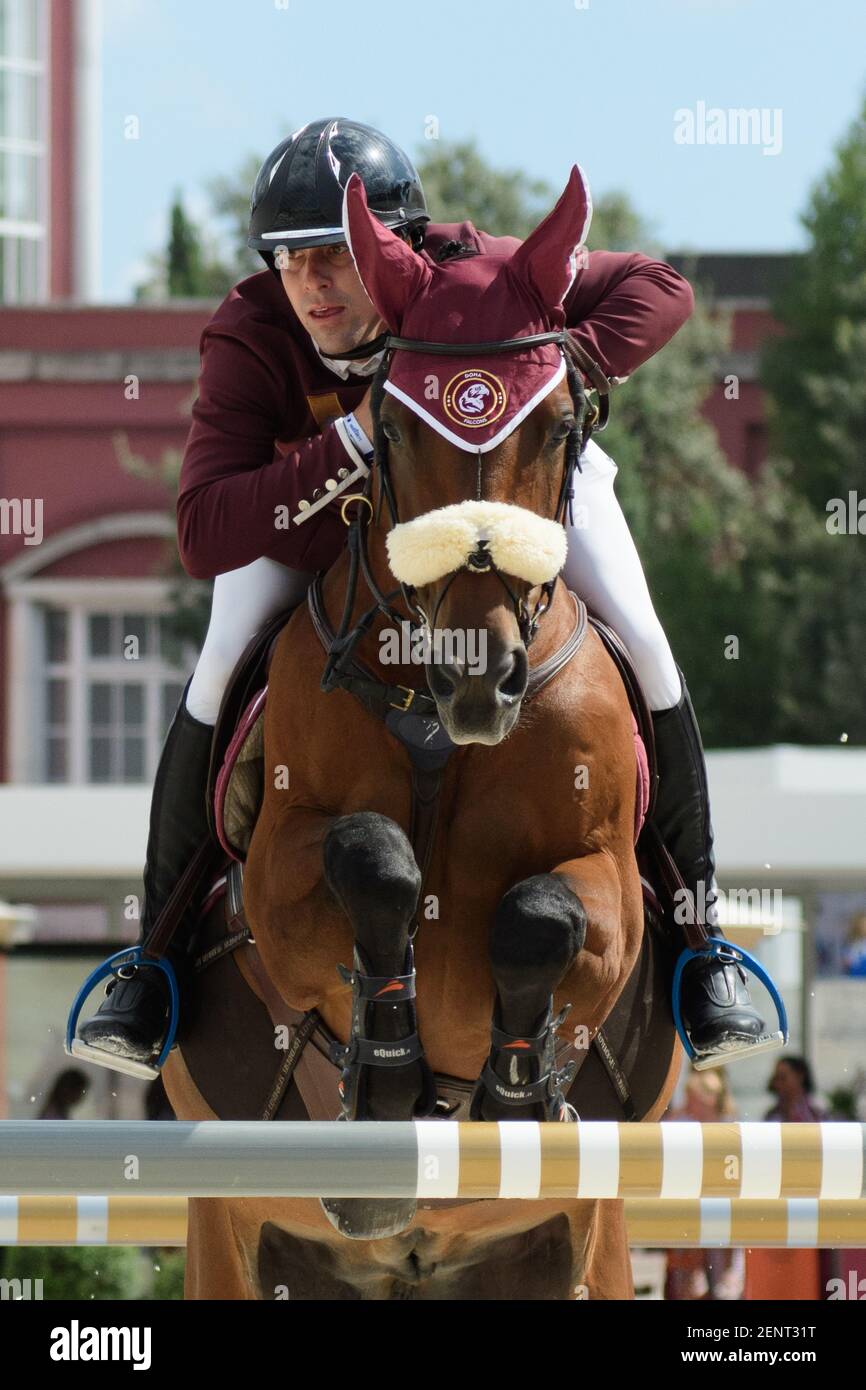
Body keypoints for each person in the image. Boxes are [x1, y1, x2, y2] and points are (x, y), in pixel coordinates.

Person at [74, 116, 767, 1074]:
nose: (312, 286)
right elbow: (201, 529)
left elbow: (663, 289)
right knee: (217, 664)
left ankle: (702, 951)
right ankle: (150, 965)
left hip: (512, 514)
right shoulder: (251, 330)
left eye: (335, 259)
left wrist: (552, 369)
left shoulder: (474, 269)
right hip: (325, 531)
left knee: (646, 645)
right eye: (290, 262)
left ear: (393, 248)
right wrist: (356, 441)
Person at [664, 1068, 745, 1300]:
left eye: (691, 1098)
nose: (687, 1102)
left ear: (707, 1100)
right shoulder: (684, 1122)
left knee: (724, 1276)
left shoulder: (729, 1126)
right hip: (691, 1209)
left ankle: (727, 1283)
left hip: (720, 1209)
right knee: (689, 1279)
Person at [764, 1055, 828, 1122]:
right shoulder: (772, 1115)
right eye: (776, 1078)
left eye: (783, 1078)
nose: (778, 1084)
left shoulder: (816, 1113)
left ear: (800, 1076)